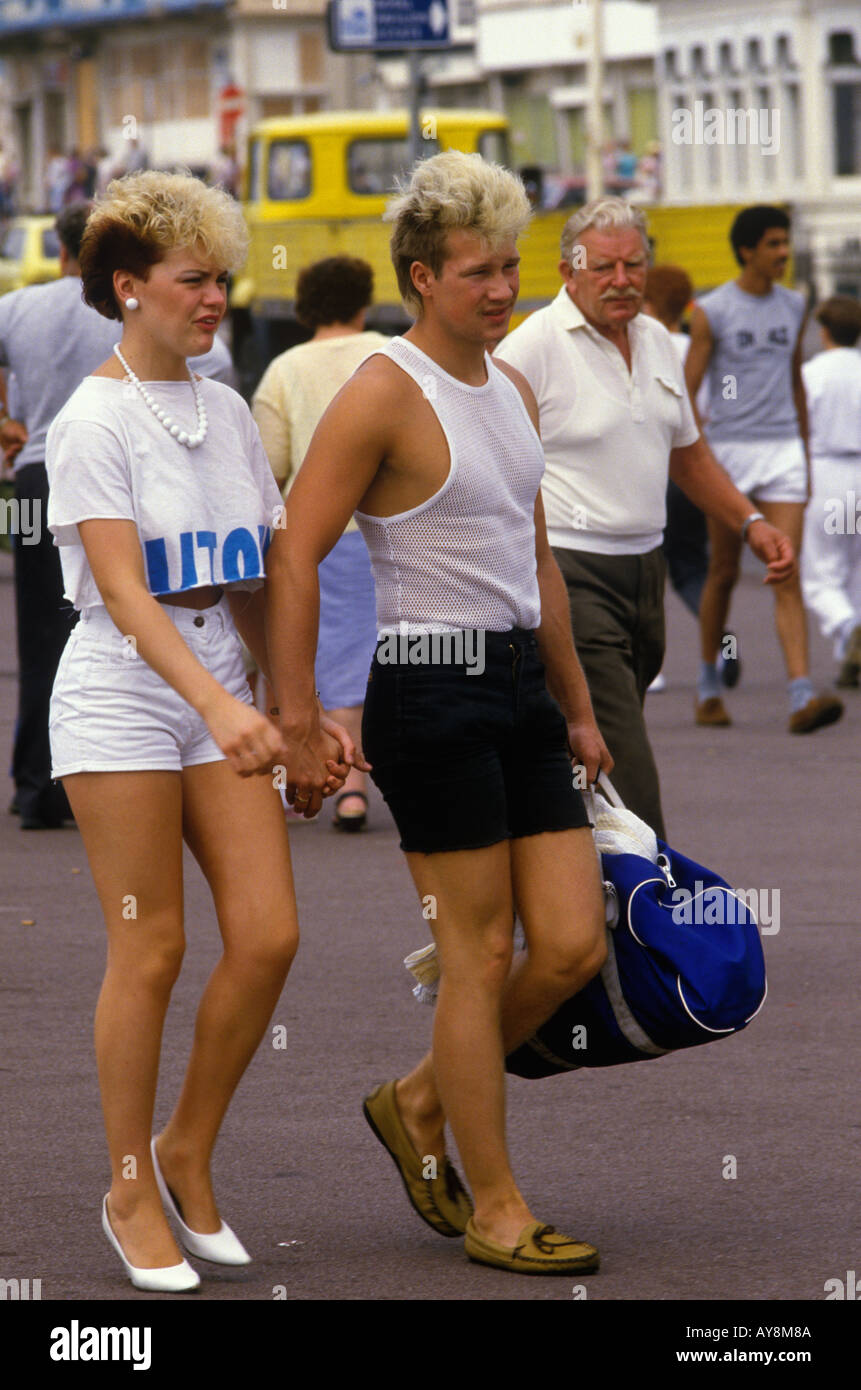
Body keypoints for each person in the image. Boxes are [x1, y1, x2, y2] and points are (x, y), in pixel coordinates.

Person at [264, 150, 613, 1275]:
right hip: (428, 687)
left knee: (567, 944)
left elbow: (538, 557)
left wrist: (579, 703)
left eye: (511, 267)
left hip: (517, 685)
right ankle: (498, 1206)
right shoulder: (380, 388)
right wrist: (304, 712)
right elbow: (297, 548)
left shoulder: (509, 387)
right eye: (478, 272)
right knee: (478, 956)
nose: (504, 289)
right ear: (420, 276)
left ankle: (417, 1101)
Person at [44, 170, 351, 1291]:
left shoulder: (226, 407)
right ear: (128, 288)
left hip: (221, 675)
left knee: (269, 935)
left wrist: (289, 706)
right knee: (153, 948)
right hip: (121, 694)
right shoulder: (90, 418)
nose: (216, 296)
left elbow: (263, 571)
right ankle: (130, 1185)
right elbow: (123, 591)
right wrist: (222, 709)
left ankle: (186, 1147)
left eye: (223, 277)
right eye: (192, 279)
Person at [495, 197, 794, 837]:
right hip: (571, 576)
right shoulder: (530, 349)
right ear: (567, 270)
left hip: (645, 574)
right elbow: (494, 470)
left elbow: (688, 457)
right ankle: (655, 908)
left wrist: (750, 524)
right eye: (604, 267)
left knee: (588, 758)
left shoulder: (658, 339)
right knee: (626, 763)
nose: (623, 280)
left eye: (634, 264)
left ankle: (575, 911)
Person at [0, 202, 241, 829]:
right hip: (120, 469)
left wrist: (5, 423)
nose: (211, 295)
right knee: (112, 600)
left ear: (62, 253)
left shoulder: (22, 306)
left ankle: (37, 785)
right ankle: (94, 762)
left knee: (45, 631)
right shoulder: (152, 333)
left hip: (35, 481)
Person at [685, 205, 843, 733]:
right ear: (747, 249)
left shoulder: (795, 304)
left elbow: (795, 380)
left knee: (786, 569)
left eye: (785, 242)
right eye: (774, 244)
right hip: (729, 452)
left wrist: (805, 446)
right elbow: (689, 388)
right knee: (724, 573)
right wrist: (699, 453)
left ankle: (802, 696)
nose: (783, 253)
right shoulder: (712, 310)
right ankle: (709, 685)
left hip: (783, 452)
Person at [252, 256, 387, 830]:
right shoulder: (393, 356)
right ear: (364, 299)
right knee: (384, 654)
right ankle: (367, 775)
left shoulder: (284, 369)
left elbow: (268, 466)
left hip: (317, 535)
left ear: (306, 306)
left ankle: (344, 781)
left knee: (326, 655)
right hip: (394, 532)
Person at [642, 264, 740, 692]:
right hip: (701, 470)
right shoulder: (702, 347)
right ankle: (726, 645)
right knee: (695, 568)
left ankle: (652, 668)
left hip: (655, 470)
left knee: (647, 570)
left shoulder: (644, 347)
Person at [799, 296, 861, 687]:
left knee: (821, 572)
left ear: (823, 330)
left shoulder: (811, 373)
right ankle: (850, 655)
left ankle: (846, 625)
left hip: (826, 472)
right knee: (856, 570)